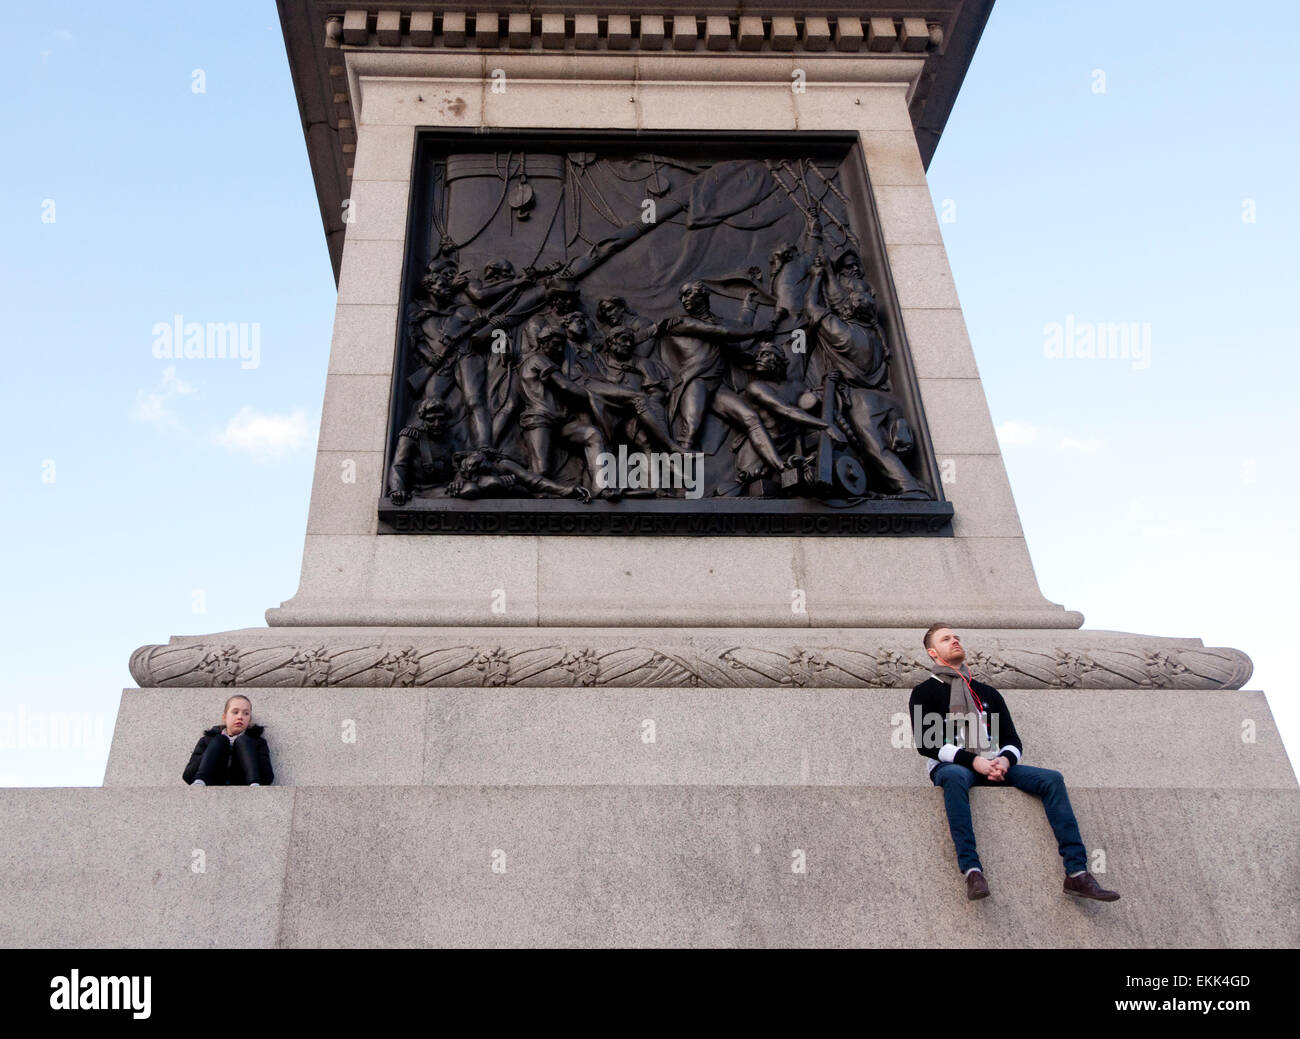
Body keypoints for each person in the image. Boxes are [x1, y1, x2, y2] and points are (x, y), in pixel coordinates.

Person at [909, 624, 1119, 903]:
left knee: (1051, 779)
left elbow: (1011, 740)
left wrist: (1004, 761)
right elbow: (927, 744)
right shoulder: (925, 692)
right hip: (954, 767)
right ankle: (973, 871)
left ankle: (1077, 873)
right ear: (933, 652)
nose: (955, 640)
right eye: (946, 639)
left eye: (957, 636)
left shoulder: (986, 692)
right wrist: (975, 762)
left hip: (995, 764)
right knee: (956, 777)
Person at [182, 694, 274, 787]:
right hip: (212, 786)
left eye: (246, 713)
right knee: (220, 740)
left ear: (249, 720)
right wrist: (210, 752)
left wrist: (248, 753)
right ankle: (200, 782)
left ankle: (254, 784)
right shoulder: (208, 740)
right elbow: (188, 775)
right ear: (224, 717)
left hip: (244, 786)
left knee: (243, 741)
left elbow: (268, 778)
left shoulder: (257, 742)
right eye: (235, 712)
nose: (240, 717)